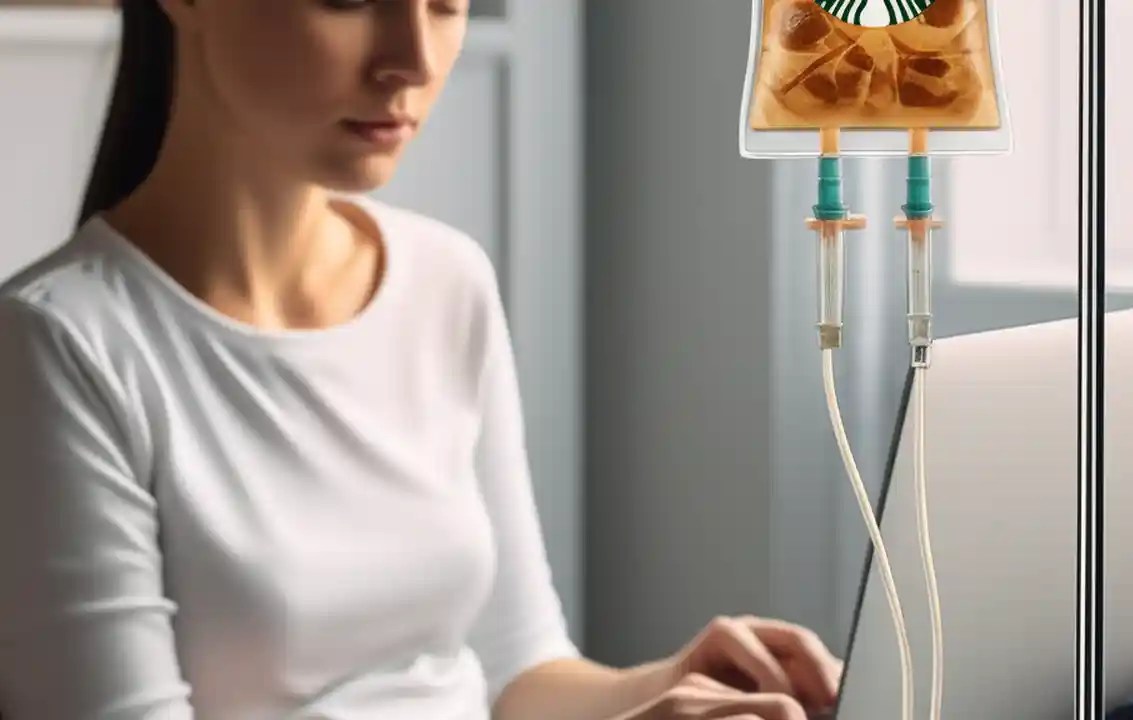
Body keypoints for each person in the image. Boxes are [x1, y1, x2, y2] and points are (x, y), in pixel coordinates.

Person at [0, 1, 842, 718]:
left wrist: (675, 682)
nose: (414, 59)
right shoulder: (57, 344)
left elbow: (517, 672)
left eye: (446, 0)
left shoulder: (446, 280)